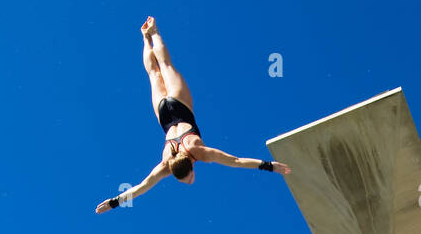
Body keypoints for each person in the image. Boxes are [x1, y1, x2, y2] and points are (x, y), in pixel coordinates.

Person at [96, 18, 290, 212]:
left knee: (165, 67)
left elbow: (236, 161)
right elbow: (141, 187)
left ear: (190, 166)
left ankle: (154, 32)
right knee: (156, 72)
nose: (190, 182)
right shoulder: (166, 164)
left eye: (188, 179)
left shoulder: (199, 152)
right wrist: (114, 202)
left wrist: (270, 166)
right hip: (163, 112)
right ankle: (147, 37)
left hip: (180, 105)